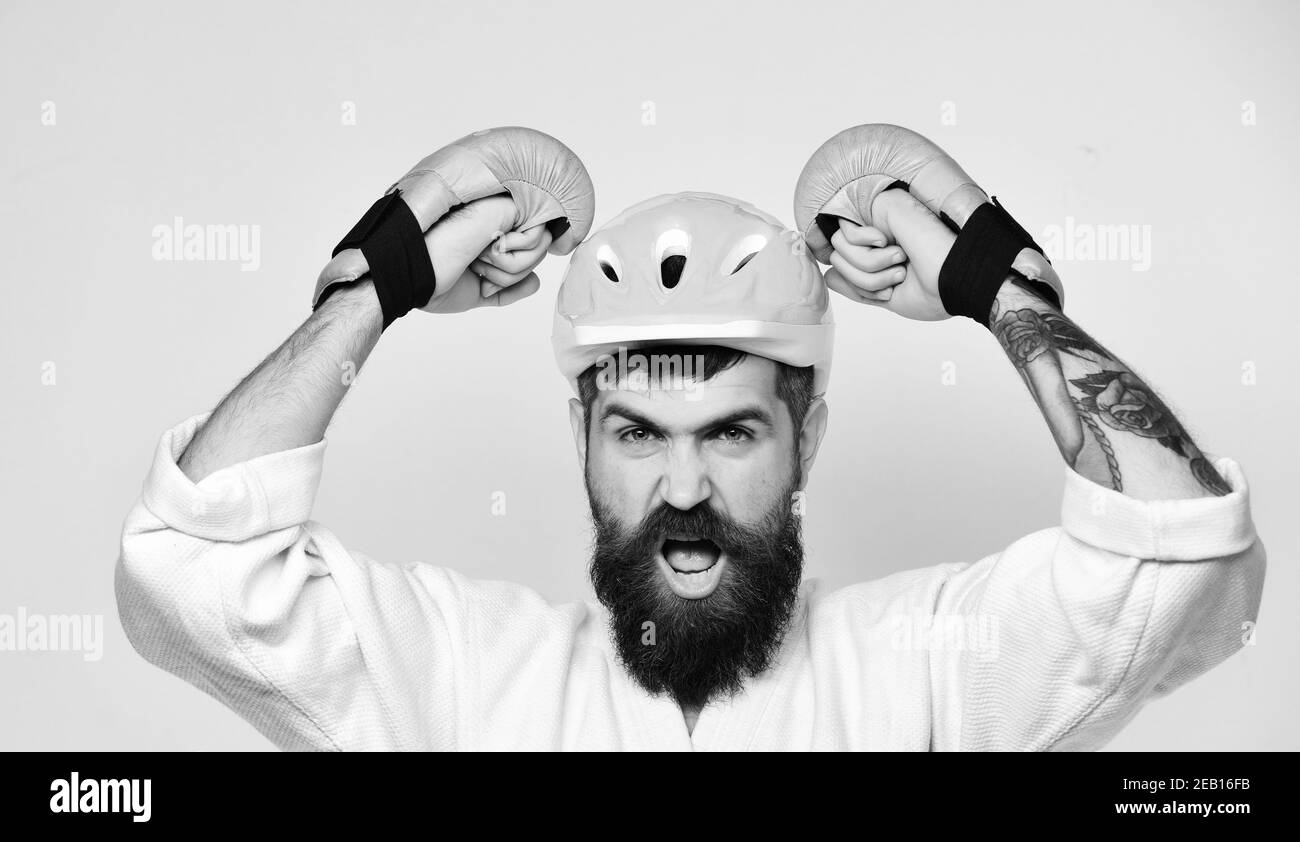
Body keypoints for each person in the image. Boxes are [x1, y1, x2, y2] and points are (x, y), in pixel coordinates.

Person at [115, 125, 1266, 750]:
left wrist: (996, 285)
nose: (681, 486)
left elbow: (1180, 553)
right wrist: (374, 284)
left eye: (730, 431)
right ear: (578, 433)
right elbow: (188, 568)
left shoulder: (931, 667)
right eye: (635, 430)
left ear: (808, 438)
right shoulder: (459, 675)